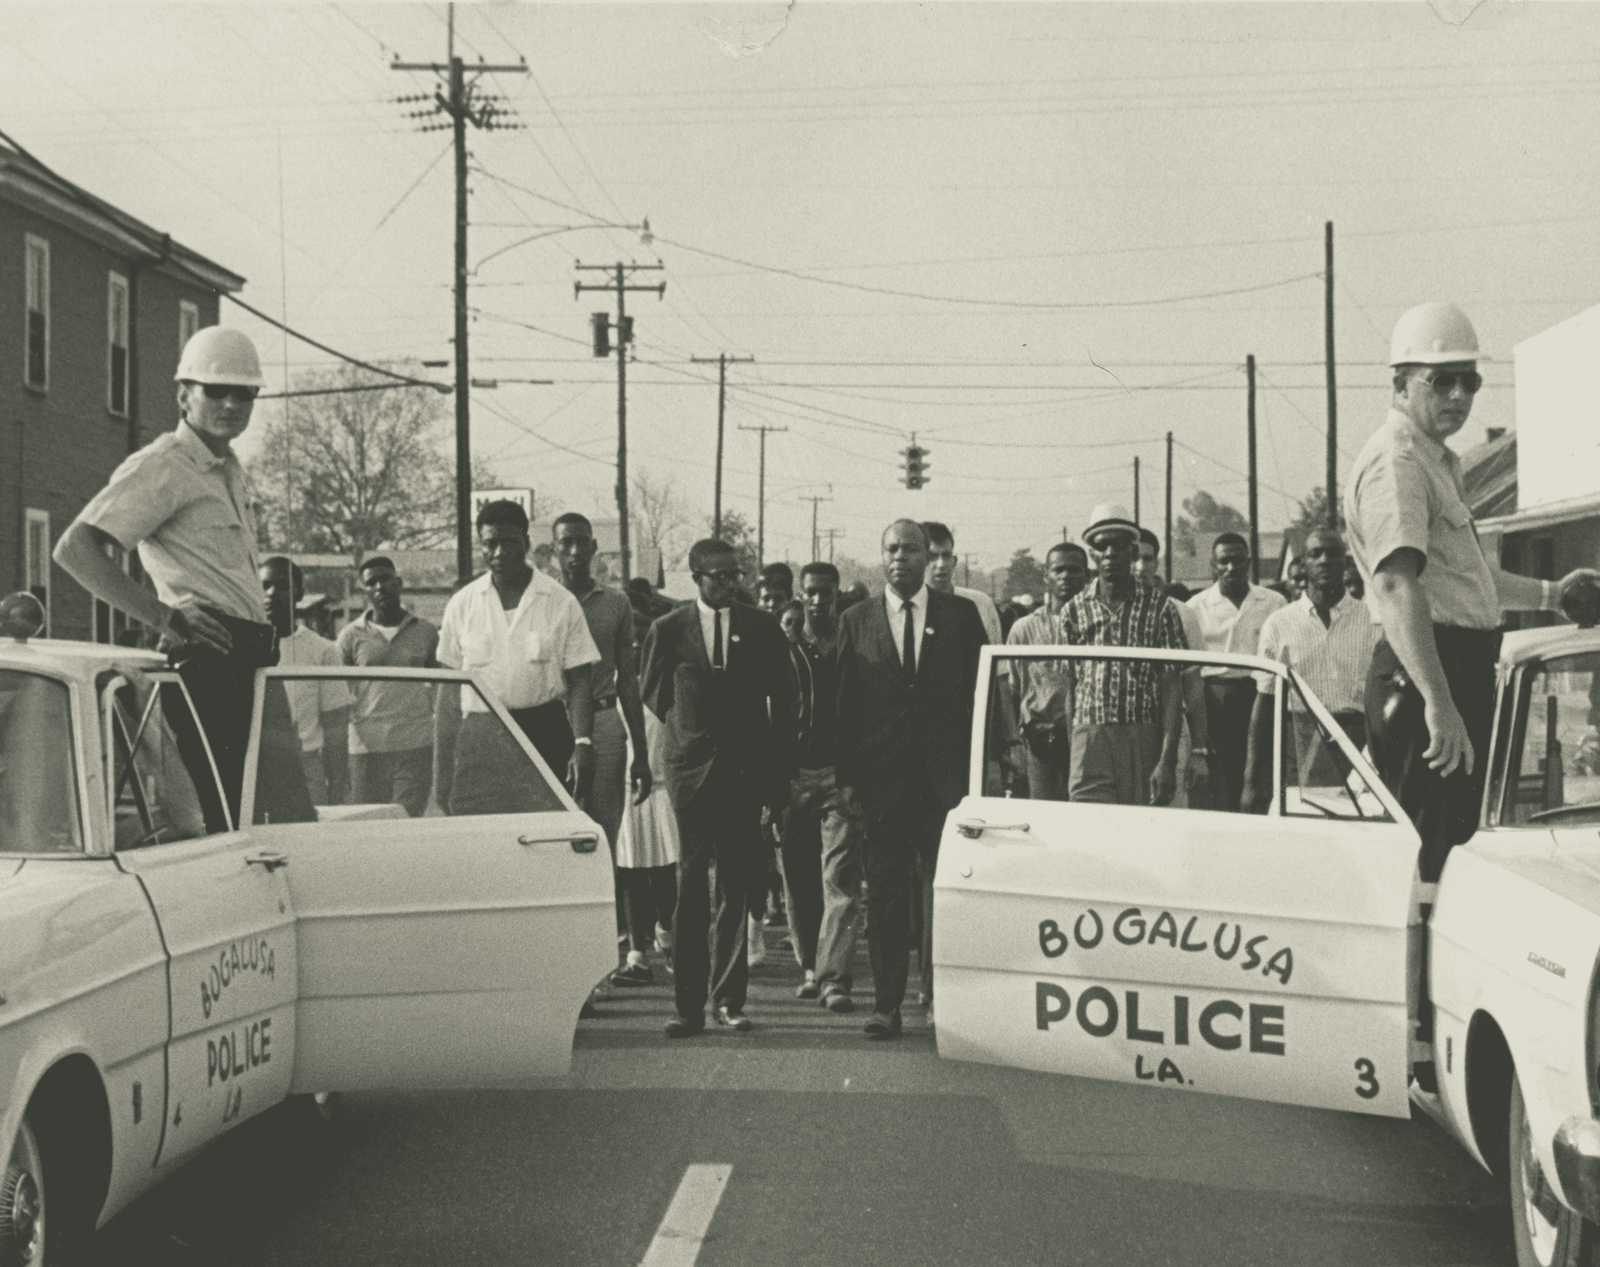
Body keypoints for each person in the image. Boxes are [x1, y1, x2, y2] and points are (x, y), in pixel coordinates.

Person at [1346, 302, 1600, 879]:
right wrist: (1438, 702)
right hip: (1427, 674)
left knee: (1459, 846)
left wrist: (1553, 595)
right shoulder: (1397, 461)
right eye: (1441, 381)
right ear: (1400, 384)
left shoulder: (1433, 460)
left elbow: (1468, 580)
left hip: (1448, 670)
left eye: (1469, 381)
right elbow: (1395, 583)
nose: (1458, 395)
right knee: (1431, 858)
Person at [54, 326, 311, 831]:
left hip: (255, 657)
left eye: (244, 393)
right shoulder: (164, 465)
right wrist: (165, 617)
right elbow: (75, 550)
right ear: (183, 395)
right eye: (216, 390)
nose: (231, 403)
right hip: (211, 658)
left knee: (287, 817)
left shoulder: (228, 468)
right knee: (223, 819)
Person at [837, 520, 988, 1038]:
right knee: (884, 897)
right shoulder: (856, 620)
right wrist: (847, 779)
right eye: (891, 548)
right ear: (881, 556)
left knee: (946, 892)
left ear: (929, 556)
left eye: (910, 549)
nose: (899, 557)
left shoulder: (960, 616)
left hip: (945, 783)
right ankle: (887, 1005)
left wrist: (983, 771)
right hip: (883, 784)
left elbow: (981, 698)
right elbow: (845, 706)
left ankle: (946, 999)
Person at [640, 538, 796, 1037]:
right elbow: (653, 692)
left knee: (735, 885)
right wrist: (688, 734)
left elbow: (785, 697)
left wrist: (775, 774)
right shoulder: (669, 630)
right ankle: (688, 1007)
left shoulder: (761, 626)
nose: (730, 583)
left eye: (735, 575)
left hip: (745, 776)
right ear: (696, 578)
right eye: (719, 576)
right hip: (691, 775)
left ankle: (728, 1001)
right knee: (690, 888)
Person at [435, 500, 601, 814]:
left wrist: (582, 743)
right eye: (490, 543)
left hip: (544, 732)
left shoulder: (560, 602)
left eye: (509, 542)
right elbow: (448, 693)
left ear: (525, 542)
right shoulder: (462, 604)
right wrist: (441, 769)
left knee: (544, 834)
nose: (499, 552)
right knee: (480, 833)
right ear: (481, 546)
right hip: (480, 737)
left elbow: (580, 681)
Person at [549, 513, 655, 984]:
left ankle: (596, 963)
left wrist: (640, 753)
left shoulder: (615, 604)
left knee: (600, 844)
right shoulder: (542, 600)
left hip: (606, 721)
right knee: (552, 840)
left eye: (581, 543)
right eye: (565, 543)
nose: (574, 552)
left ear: (594, 548)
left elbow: (628, 679)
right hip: (550, 724)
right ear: (553, 551)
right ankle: (561, 959)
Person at [1241, 529, 1380, 811]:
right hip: (1301, 744)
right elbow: (1265, 703)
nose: (1324, 560)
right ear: (1304, 563)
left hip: (1361, 746)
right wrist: (1251, 780)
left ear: (1345, 562)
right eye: (1316, 554)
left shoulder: (1372, 620)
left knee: (1361, 826)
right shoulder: (1278, 624)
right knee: (1305, 825)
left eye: (1333, 553)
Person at [781, 562, 867, 1010]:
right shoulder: (787, 650)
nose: (818, 601)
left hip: (841, 777)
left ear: (837, 596)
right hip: (793, 778)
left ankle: (835, 979)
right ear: (801, 593)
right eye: (810, 592)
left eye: (826, 593)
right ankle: (811, 968)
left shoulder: (853, 646)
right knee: (798, 880)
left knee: (839, 879)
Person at [1062, 504, 1188, 807]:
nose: (1110, 553)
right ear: (1091, 554)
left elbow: (1172, 688)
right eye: (1101, 545)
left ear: (1132, 551)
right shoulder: (1073, 610)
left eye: (1119, 544)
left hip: (1142, 734)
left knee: (1140, 825)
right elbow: (1070, 688)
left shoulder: (1161, 608)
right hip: (1090, 734)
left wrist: (1167, 759)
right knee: (1089, 824)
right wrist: (1076, 749)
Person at [1186, 533, 1287, 811]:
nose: (1231, 567)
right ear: (1213, 565)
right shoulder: (1196, 607)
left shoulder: (1274, 602)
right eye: (1224, 561)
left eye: (1238, 560)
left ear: (1249, 563)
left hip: (1260, 695)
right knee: (1220, 781)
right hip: (1215, 699)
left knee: (1259, 778)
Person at [337, 556, 439, 817]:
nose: (380, 587)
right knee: (369, 824)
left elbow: (441, 687)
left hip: (415, 745)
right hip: (366, 747)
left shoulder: (426, 631)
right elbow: (339, 694)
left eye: (385, 579)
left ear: (399, 583)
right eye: (371, 583)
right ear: (364, 591)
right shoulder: (350, 635)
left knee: (407, 819)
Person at [1004, 543, 1090, 801]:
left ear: (1086, 576)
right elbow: (1013, 691)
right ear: (1046, 576)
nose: (1065, 576)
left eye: (1074, 570)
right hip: (1042, 741)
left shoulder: (1097, 626)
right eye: (1058, 570)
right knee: (1044, 813)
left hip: (1088, 739)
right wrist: (1014, 743)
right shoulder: (1025, 629)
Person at [261, 557, 350, 806]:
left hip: (305, 768)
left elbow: (335, 726)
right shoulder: (237, 646)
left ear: (299, 593)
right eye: (265, 586)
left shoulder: (323, 651)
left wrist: (336, 790)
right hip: (252, 766)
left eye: (283, 586)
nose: (272, 593)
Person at [922, 521, 1004, 644]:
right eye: (932, 557)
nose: (941, 564)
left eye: (946, 556)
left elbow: (994, 651)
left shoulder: (981, 603)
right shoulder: (909, 607)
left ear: (954, 561)